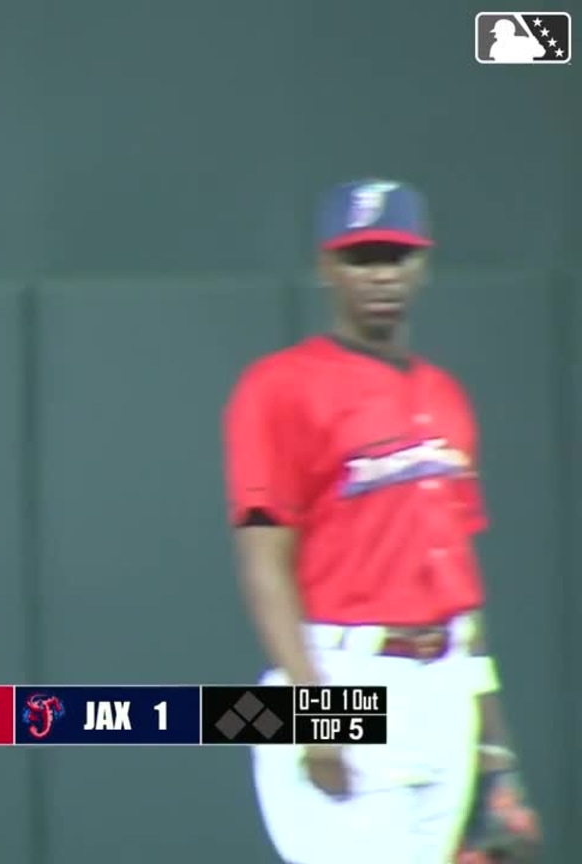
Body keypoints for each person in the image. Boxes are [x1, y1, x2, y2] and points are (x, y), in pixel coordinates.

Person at [221, 179, 541, 863]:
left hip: (446, 685)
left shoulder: (446, 397)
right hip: (340, 674)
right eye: (360, 256)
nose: (380, 273)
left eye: (396, 256)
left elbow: (459, 584)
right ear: (326, 267)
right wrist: (313, 714)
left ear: (422, 265)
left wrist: (495, 750)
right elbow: (261, 564)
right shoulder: (277, 386)